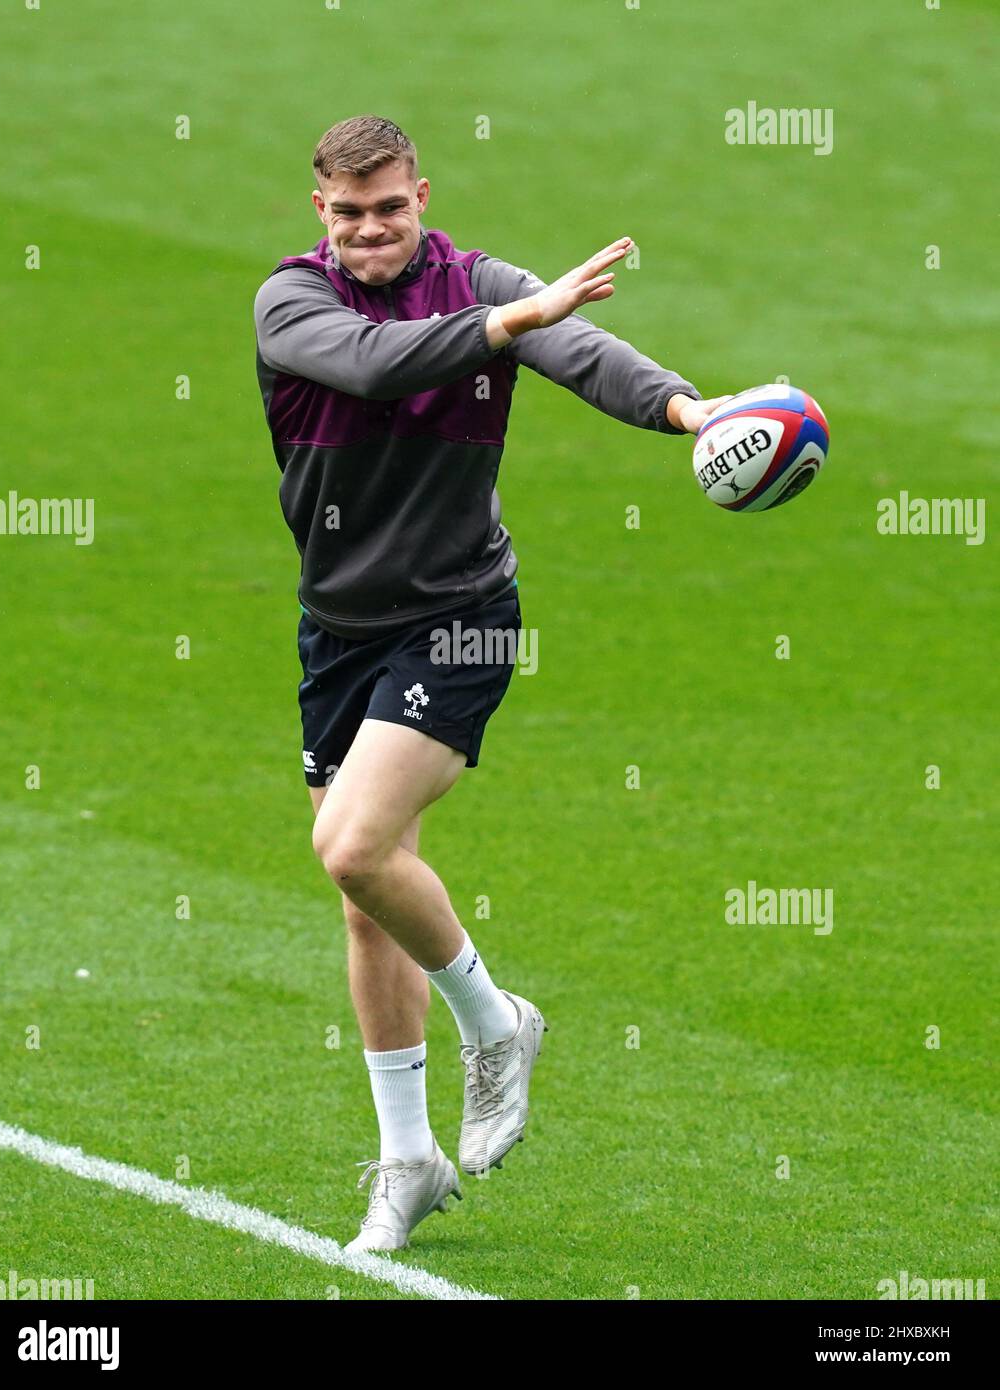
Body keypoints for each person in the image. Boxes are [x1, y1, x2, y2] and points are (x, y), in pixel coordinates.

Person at [254, 114, 728, 1252]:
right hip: (339, 627)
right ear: (319, 211)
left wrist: (690, 409)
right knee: (368, 892)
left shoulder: (480, 285)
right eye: (349, 211)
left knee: (357, 846)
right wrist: (512, 320)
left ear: (423, 195)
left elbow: (586, 355)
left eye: (391, 206)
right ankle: (408, 1158)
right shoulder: (289, 303)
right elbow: (375, 366)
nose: (372, 228)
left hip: (459, 619)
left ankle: (496, 1022)